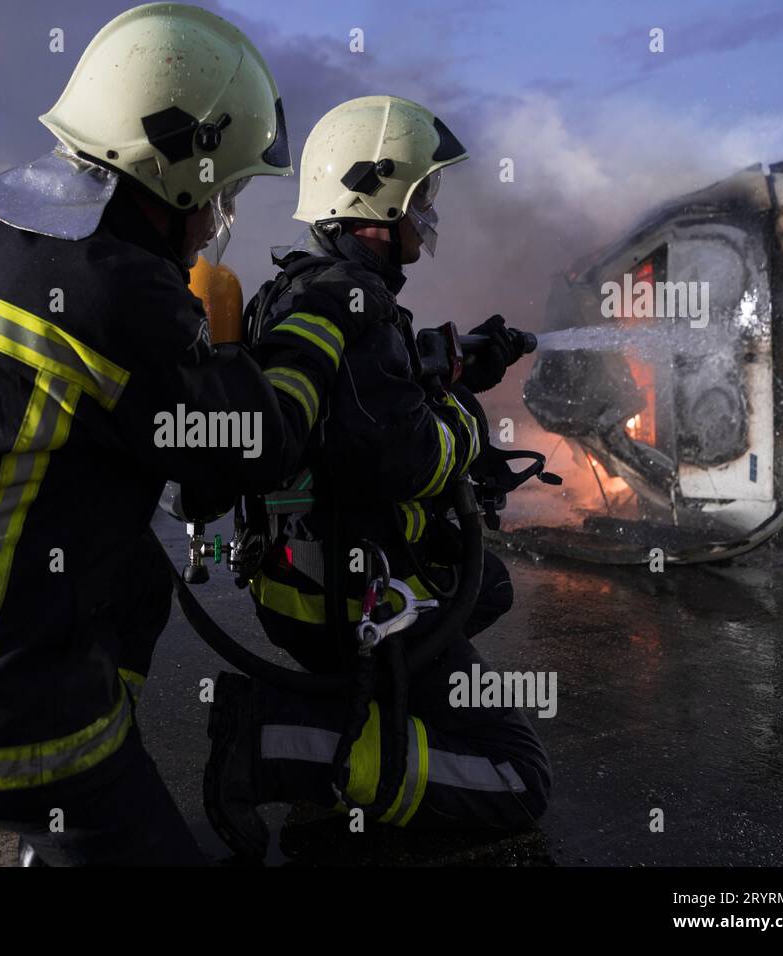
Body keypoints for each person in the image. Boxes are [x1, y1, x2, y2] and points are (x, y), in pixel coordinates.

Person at [0, 4, 389, 866]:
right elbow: (259, 448)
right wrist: (303, 336)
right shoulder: (120, 289)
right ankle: (77, 810)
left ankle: (81, 797)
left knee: (134, 574)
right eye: (224, 186)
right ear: (184, 176)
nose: (221, 210)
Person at [204, 96, 551, 860]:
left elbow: (365, 388)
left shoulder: (310, 291)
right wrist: (466, 418)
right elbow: (405, 453)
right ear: (376, 201)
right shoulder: (344, 302)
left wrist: (459, 354)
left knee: (486, 585)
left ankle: (354, 707)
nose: (429, 214)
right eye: (419, 196)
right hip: (354, 601)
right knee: (515, 779)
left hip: (303, 582)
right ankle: (274, 741)